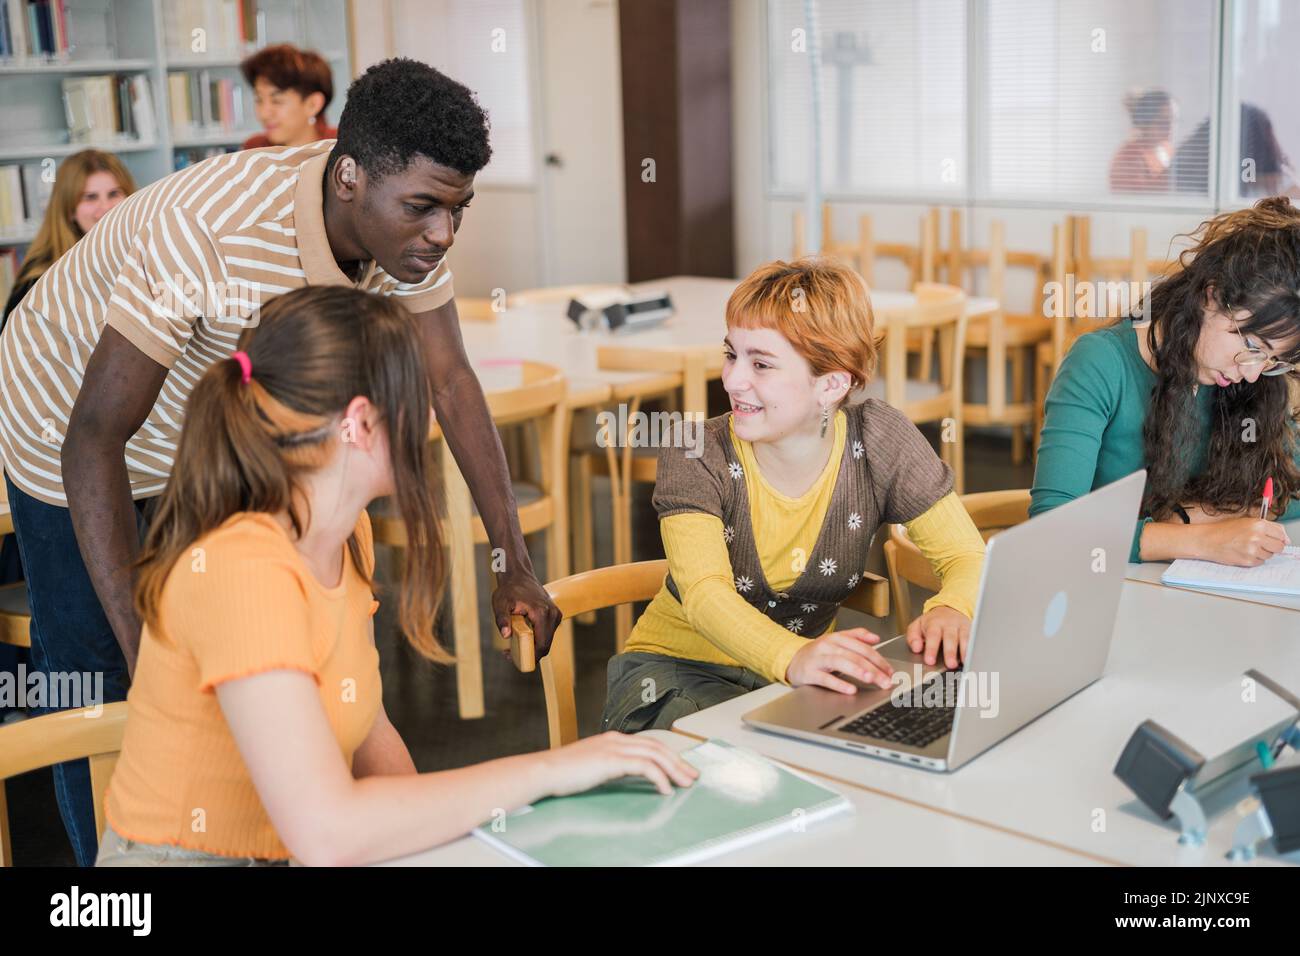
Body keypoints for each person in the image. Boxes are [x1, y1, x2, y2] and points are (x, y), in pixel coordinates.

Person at [0, 57, 559, 867]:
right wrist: (144, 644)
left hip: (211, 430)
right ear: (349, 180)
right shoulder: (206, 231)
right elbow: (96, 435)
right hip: (67, 419)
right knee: (109, 671)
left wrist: (512, 559)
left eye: (458, 209)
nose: (443, 233)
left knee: (255, 660)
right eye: (425, 208)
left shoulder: (403, 233)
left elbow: (449, 380)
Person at [95, 286, 696, 866]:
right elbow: (328, 834)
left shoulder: (345, 535)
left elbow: (368, 731)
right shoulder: (243, 567)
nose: (431, 416)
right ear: (359, 422)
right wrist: (549, 769)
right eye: (418, 396)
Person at [600, 258, 987, 733]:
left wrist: (952, 607)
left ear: (832, 384)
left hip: (793, 684)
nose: (732, 379)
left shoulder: (881, 439)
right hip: (679, 673)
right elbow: (704, 596)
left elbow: (967, 554)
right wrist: (794, 655)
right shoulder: (694, 450)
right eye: (731, 354)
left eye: (760, 363)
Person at [1032, 197, 1300, 566]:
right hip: (1106, 588)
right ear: (1211, 294)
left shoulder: (1249, 379)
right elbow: (1052, 526)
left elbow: (1292, 487)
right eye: (1252, 346)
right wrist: (1202, 539)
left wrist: (1197, 515)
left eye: (1271, 359)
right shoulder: (1101, 362)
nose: (1253, 371)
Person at [2, 150, 136, 326]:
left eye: (114, 194)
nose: (106, 208)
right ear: (70, 209)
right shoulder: (39, 279)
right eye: (90, 197)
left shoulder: (142, 255)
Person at [240, 44, 337, 150]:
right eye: (258, 100)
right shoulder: (254, 149)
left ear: (312, 104)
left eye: (276, 101)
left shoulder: (343, 147)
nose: (264, 114)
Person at [1109, 88, 1175, 194]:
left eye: (1172, 121)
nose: (1169, 127)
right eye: (1162, 122)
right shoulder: (1128, 157)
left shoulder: (1167, 148)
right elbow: (1137, 200)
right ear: (1145, 123)